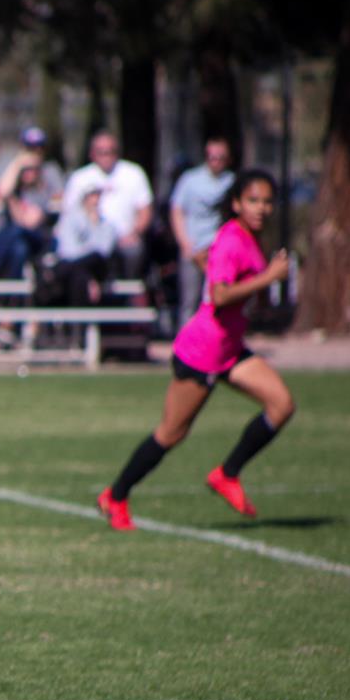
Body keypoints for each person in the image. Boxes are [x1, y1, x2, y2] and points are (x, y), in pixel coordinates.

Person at [97, 170, 294, 532]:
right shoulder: (234, 239)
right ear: (236, 203)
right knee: (170, 434)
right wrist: (268, 278)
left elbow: (216, 266)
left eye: (267, 201)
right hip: (202, 351)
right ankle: (116, 495)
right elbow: (219, 296)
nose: (261, 208)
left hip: (230, 350)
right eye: (253, 200)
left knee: (281, 404)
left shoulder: (249, 239)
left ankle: (227, 473)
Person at [63, 129, 153, 279]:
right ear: (92, 153)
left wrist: (135, 233)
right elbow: (70, 212)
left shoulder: (133, 173)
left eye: (110, 151)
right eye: (101, 151)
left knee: (134, 251)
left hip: (124, 239)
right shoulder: (80, 178)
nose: (106, 156)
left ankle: (128, 293)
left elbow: (145, 209)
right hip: (88, 240)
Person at [168, 137, 235, 324]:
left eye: (220, 157)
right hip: (193, 246)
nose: (215, 161)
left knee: (217, 299)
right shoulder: (190, 180)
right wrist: (185, 243)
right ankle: (185, 346)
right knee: (190, 300)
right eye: (211, 157)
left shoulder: (231, 182)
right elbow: (177, 211)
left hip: (219, 250)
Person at [0, 159, 53, 283]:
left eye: (31, 170)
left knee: (16, 230)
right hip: (19, 242)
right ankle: (12, 295)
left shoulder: (41, 194)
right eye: (24, 170)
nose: (28, 174)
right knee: (19, 249)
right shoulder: (15, 193)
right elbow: (2, 191)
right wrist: (17, 163)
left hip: (36, 239)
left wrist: (15, 206)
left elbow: (30, 223)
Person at [53, 183, 116, 305]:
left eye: (97, 196)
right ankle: (80, 321)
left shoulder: (106, 225)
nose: (95, 201)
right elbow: (68, 251)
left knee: (83, 266)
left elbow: (102, 252)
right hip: (77, 270)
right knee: (80, 276)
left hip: (94, 269)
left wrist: (94, 224)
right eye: (91, 196)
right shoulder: (70, 220)